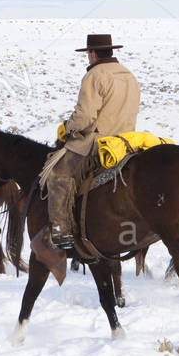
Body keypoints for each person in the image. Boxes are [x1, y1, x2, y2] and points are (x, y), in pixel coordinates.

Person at [44, 33, 140, 251]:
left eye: (88, 53)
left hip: (98, 143)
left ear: (93, 53)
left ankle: (61, 230)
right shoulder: (128, 75)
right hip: (126, 142)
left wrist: (67, 127)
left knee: (57, 174)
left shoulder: (95, 75)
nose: (88, 57)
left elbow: (85, 116)